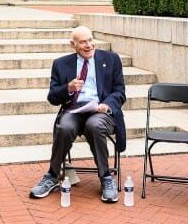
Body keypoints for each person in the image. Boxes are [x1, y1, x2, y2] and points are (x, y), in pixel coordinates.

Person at [29, 26, 126, 203]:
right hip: (74, 110)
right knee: (64, 126)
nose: (88, 45)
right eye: (83, 42)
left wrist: (106, 104)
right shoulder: (61, 64)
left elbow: (120, 92)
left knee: (94, 125)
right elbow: (52, 97)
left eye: (90, 40)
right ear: (73, 45)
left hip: (100, 111)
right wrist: (68, 88)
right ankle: (52, 176)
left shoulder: (111, 59)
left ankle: (106, 178)